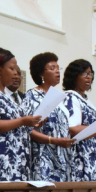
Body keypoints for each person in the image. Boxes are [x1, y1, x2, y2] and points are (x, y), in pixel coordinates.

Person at [0, 48, 41, 181]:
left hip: (19, 159)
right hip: (2, 159)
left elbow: (16, 123)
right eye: (12, 68)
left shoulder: (7, 95)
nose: (16, 72)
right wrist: (22, 121)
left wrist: (31, 123)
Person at [23, 53, 73, 182]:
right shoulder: (32, 96)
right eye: (52, 68)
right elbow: (27, 130)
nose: (57, 71)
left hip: (63, 158)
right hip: (43, 159)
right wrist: (54, 140)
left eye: (58, 68)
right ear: (41, 74)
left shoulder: (59, 98)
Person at [63, 59, 96, 181]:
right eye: (84, 74)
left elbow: (94, 129)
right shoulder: (71, 97)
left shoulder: (85, 100)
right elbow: (73, 129)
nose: (88, 77)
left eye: (90, 74)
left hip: (93, 159)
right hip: (81, 159)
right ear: (74, 76)